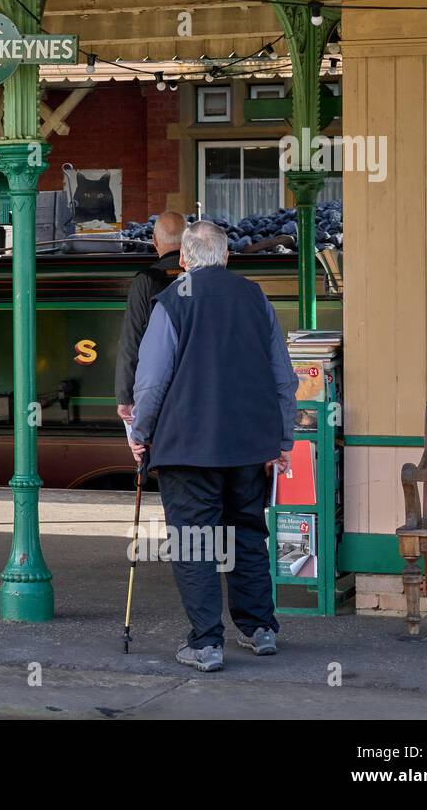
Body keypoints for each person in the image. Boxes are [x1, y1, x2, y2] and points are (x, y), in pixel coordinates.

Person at [128, 220, 296, 673]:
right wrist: (282, 439)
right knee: (247, 533)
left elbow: (150, 382)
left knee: (195, 542)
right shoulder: (255, 298)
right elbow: (283, 376)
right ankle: (260, 629)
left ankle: (205, 644)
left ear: (183, 259)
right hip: (248, 444)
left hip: (187, 446)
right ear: (226, 257)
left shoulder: (171, 301)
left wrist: (139, 434)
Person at [115, 211, 187, 426]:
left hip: (157, 386)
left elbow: (131, 339)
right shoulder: (200, 277)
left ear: (154, 241)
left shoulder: (145, 281)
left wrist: (124, 396)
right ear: (186, 240)